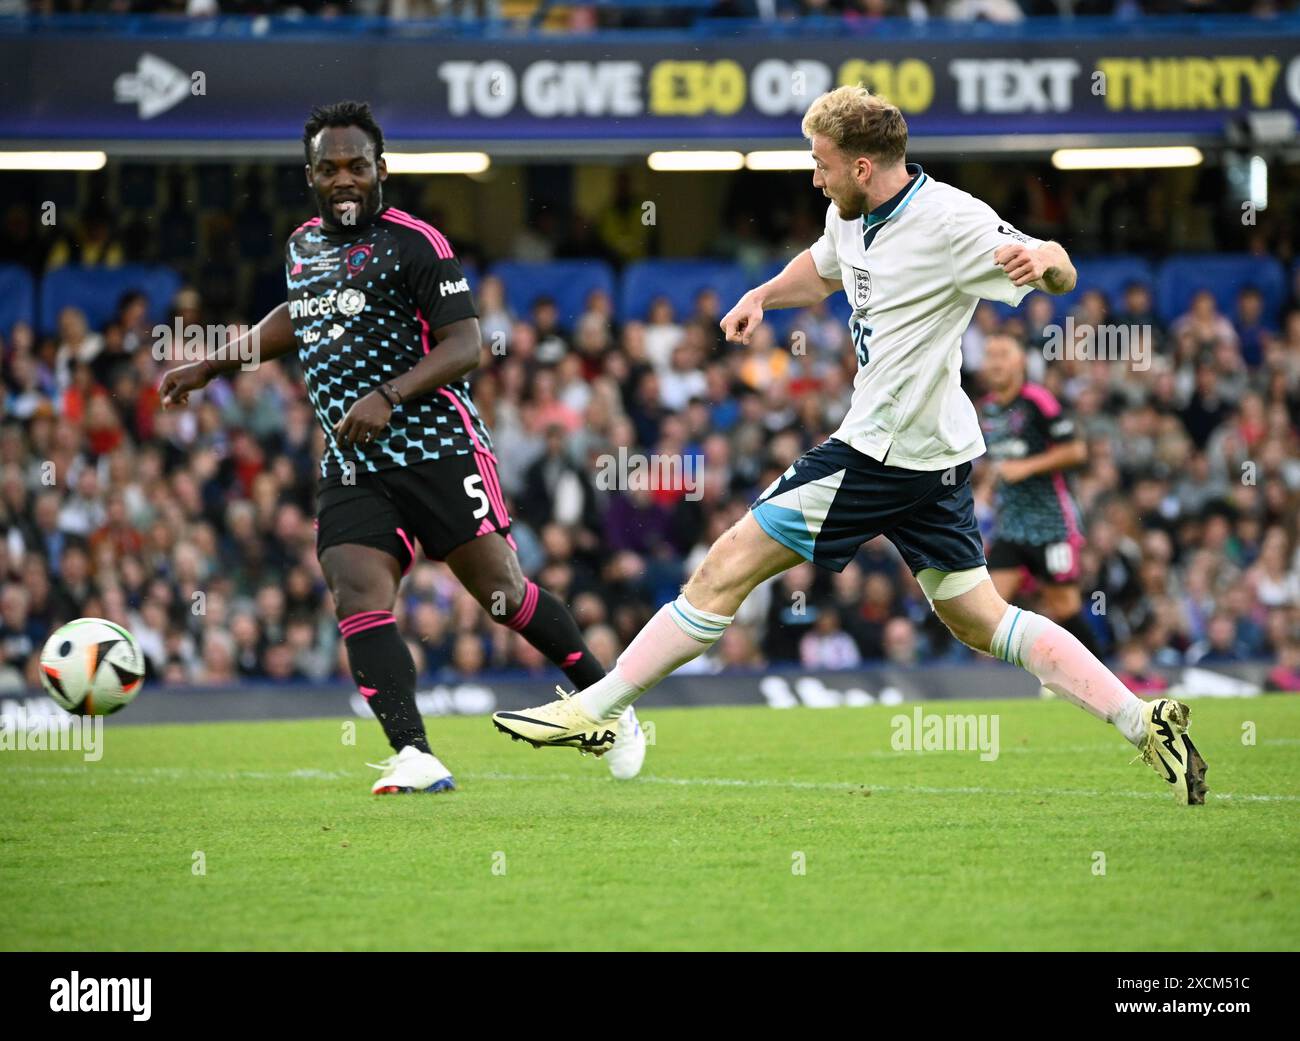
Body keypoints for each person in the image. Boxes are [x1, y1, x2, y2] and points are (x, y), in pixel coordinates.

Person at [493, 85, 1207, 805]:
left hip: (877, 453)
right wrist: (763, 296)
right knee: (980, 618)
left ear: (864, 167)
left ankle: (599, 710)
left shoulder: (950, 220)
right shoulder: (850, 214)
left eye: (821, 162)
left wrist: (1046, 260)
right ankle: (1141, 719)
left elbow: (1054, 263)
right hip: (933, 458)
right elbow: (824, 266)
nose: (814, 176)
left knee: (724, 567)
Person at [161, 100, 644, 794]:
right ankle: (415, 752)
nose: (345, 178)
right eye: (329, 168)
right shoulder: (302, 247)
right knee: (355, 589)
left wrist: (387, 395)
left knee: (502, 595)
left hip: (438, 447)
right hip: (354, 461)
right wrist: (212, 362)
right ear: (311, 176)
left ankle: (608, 705)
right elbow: (294, 317)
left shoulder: (416, 242)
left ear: (381, 169)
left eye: (358, 165)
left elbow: (467, 345)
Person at [979, 333, 1097, 653]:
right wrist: (986, 488)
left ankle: (1105, 679)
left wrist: (1027, 467)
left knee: (1065, 607)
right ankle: (1026, 676)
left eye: (1003, 353)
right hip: (1012, 525)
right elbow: (999, 461)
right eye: (990, 354)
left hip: (1051, 524)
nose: (995, 361)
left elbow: (1075, 451)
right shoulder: (987, 410)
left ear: (1020, 362)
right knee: (988, 612)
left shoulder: (1038, 400)